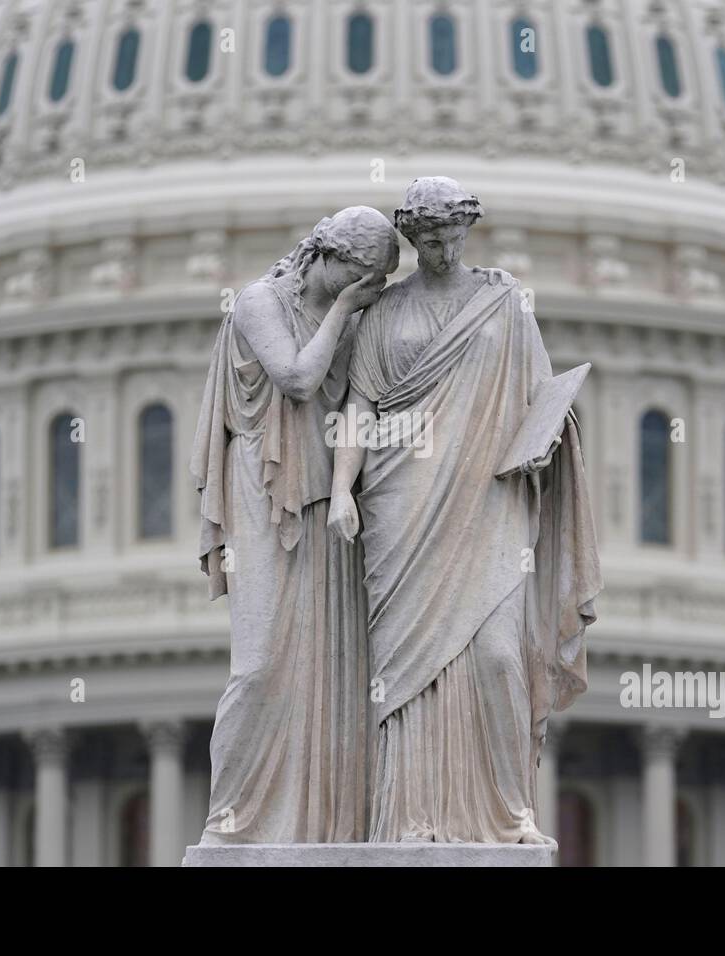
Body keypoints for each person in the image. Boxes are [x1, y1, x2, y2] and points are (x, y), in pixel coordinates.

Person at [329, 178, 602, 844]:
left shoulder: (504, 304)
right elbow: (361, 406)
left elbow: (544, 398)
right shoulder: (386, 312)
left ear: (468, 230)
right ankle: (408, 820)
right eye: (427, 241)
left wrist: (544, 444)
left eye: (451, 237)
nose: (442, 250)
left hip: (489, 500)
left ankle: (508, 815)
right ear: (411, 239)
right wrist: (341, 489)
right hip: (401, 508)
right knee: (404, 675)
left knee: (498, 658)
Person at [191, 207, 400, 844]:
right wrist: (347, 310)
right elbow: (299, 379)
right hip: (264, 492)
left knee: (331, 672)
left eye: (373, 287)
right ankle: (233, 826)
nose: (364, 295)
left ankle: (326, 829)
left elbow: (362, 405)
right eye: (360, 279)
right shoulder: (261, 301)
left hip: (327, 507)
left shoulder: (357, 319)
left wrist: (344, 489)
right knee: (258, 668)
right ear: (326, 257)